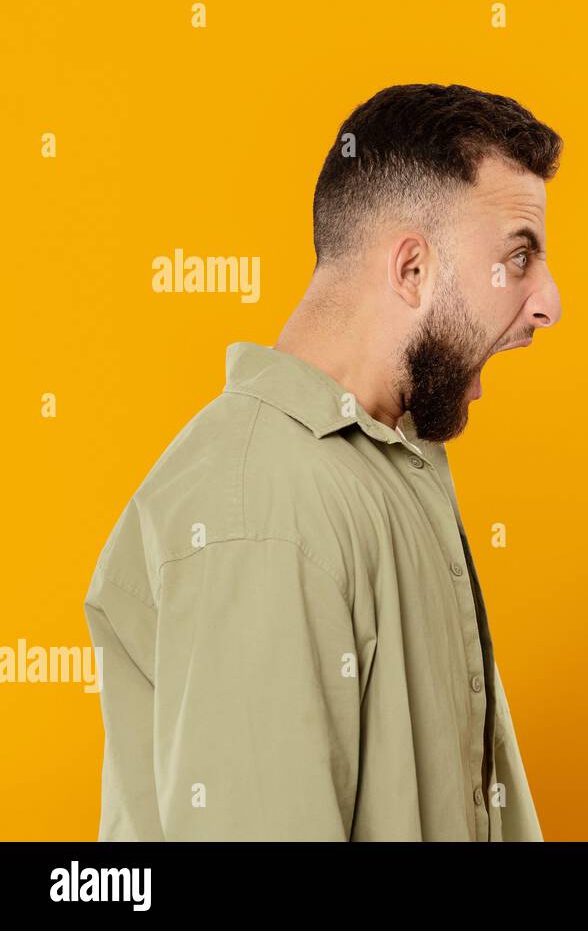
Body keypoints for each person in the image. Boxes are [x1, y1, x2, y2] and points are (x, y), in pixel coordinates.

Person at [83, 83, 563, 840]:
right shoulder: (263, 511)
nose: (549, 302)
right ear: (412, 269)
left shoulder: (383, 467)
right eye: (518, 257)